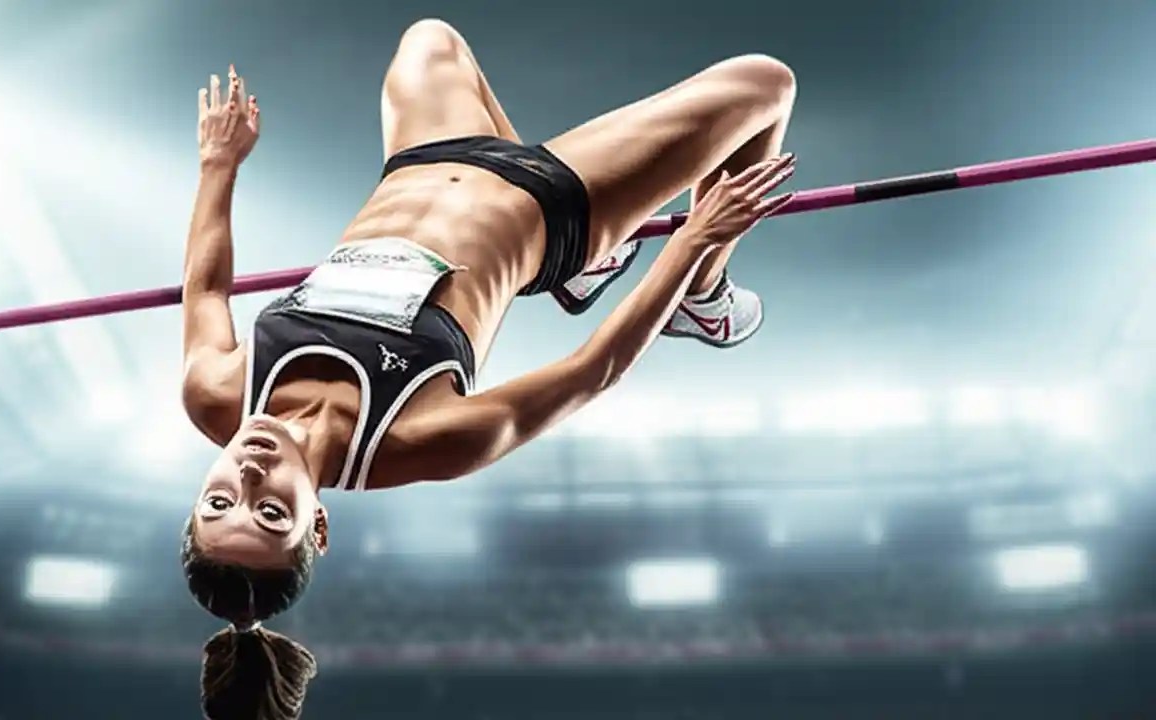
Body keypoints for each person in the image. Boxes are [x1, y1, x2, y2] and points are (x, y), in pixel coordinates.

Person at [180, 19, 797, 719]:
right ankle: (704, 299)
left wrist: (218, 166)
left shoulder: (217, 393)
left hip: (421, 161)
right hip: (548, 205)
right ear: (316, 524)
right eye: (270, 512)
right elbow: (590, 371)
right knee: (765, 86)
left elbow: (206, 289)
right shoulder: (417, 440)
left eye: (218, 502)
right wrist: (690, 245)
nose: (248, 476)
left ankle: (596, 271)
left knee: (430, 37)